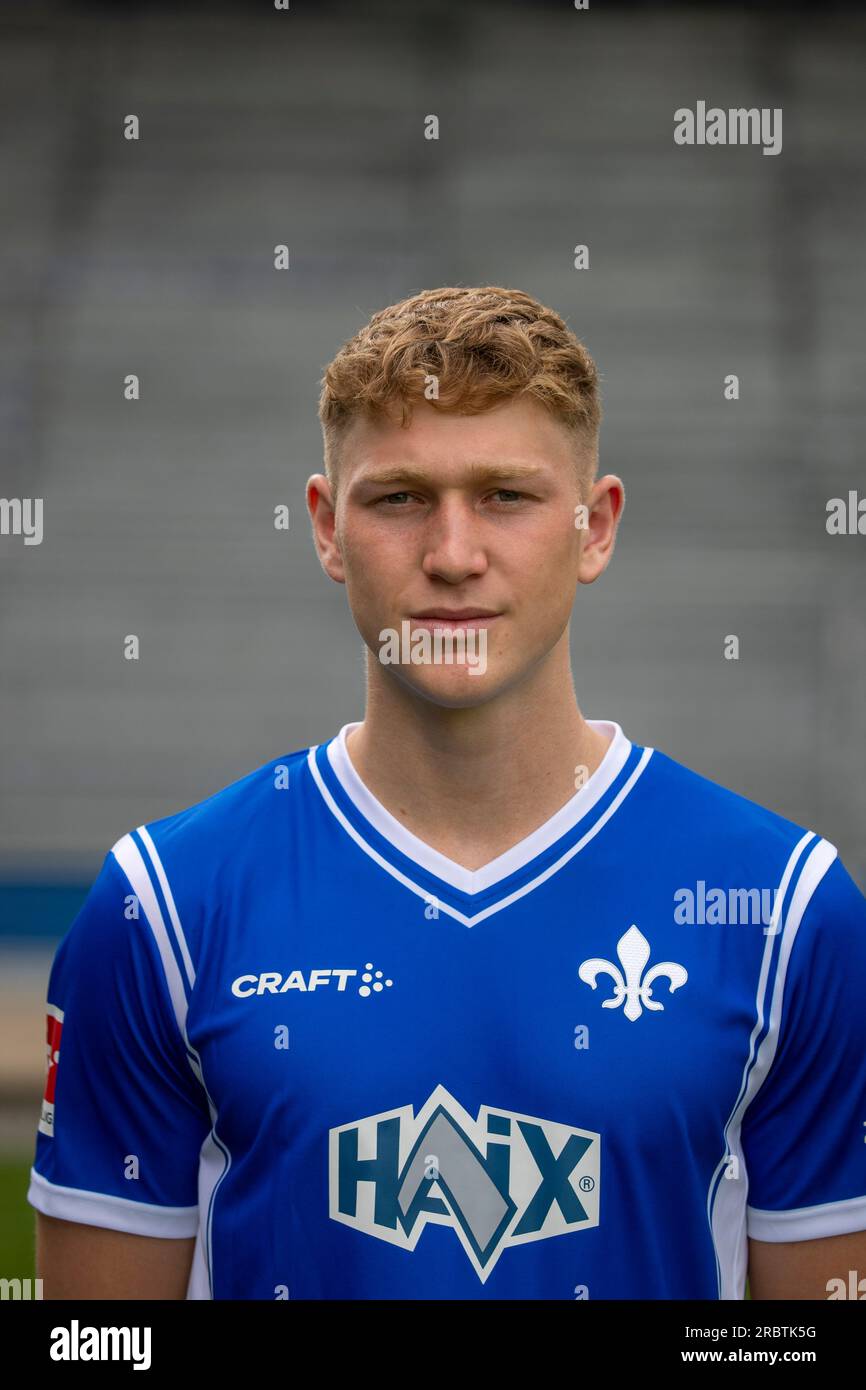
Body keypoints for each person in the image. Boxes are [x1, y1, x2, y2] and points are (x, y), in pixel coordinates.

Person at [28, 286, 866, 1299]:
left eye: (504, 496)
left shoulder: (785, 911)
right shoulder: (160, 907)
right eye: (399, 498)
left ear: (592, 528)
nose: (452, 556)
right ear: (327, 529)